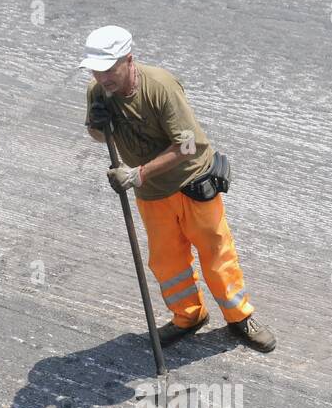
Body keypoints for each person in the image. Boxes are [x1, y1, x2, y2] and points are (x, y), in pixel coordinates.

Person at [83, 25, 277, 352]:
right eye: (96, 70)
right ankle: (188, 316)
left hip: (191, 184)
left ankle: (240, 317)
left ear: (129, 60)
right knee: (167, 261)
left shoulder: (160, 88)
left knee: (216, 254)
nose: (103, 78)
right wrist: (97, 127)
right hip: (151, 194)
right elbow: (100, 136)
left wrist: (137, 174)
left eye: (109, 69)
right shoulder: (99, 91)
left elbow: (187, 146)